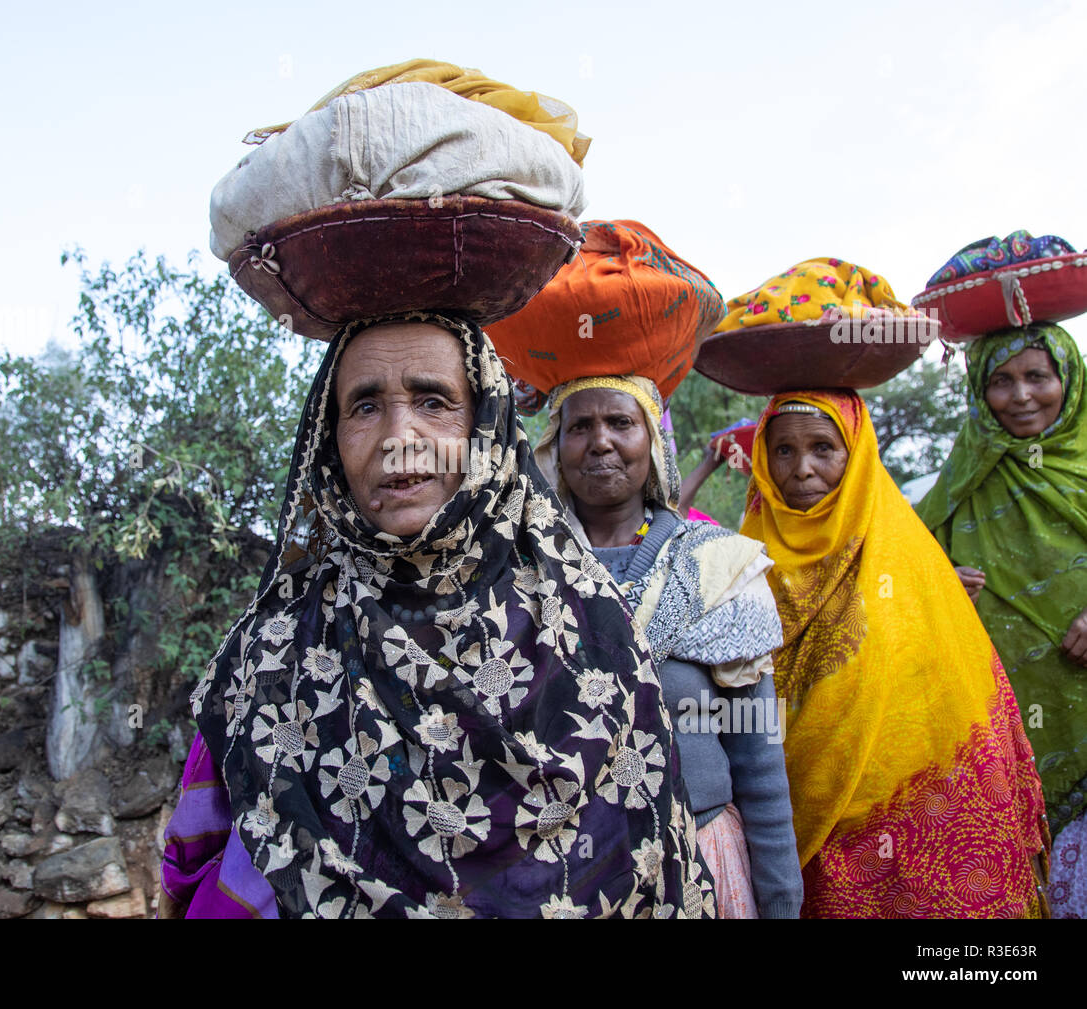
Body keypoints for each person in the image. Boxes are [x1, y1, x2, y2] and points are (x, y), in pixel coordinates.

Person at [158, 311, 716, 918]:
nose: (400, 436)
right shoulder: (271, 654)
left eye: (433, 401)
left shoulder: (591, 629)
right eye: (366, 407)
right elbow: (192, 868)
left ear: (487, 427)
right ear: (329, 438)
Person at [741, 389, 1048, 917]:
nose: (802, 469)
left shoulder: (909, 561)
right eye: (783, 451)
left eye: (823, 448)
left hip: (922, 814)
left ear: (857, 455)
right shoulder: (742, 562)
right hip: (793, 829)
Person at [533, 374, 803, 918]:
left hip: (701, 856)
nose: (600, 441)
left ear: (652, 444)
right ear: (554, 450)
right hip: (563, 870)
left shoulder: (718, 566)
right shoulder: (521, 573)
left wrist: (780, 898)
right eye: (579, 426)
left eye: (620, 423)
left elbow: (758, 756)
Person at [916, 323, 1087, 918]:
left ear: (1069, 379)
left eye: (1038, 376)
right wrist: (936, 584)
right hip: (1000, 734)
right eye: (1000, 381)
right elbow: (900, 586)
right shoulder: (960, 480)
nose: (1020, 397)